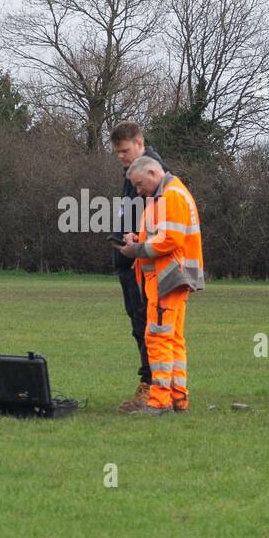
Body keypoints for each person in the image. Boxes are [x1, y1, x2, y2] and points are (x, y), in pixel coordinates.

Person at [117, 156, 204, 415]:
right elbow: (162, 235)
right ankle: (178, 398)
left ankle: (159, 402)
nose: (138, 191)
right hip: (173, 278)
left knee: (157, 337)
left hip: (167, 278)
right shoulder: (164, 196)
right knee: (173, 339)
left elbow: (171, 240)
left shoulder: (170, 196)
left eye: (140, 184)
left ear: (153, 173)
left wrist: (137, 249)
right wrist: (138, 238)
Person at [108, 122, 164, 412]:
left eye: (125, 151)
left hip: (142, 265)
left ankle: (152, 387)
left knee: (146, 326)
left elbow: (159, 223)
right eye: (117, 153)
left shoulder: (152, 174)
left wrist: (137, 245)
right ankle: (154, 384)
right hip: (130, 262)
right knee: (138, 326)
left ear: (140, 143)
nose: (121, 157)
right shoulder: (132, 175)